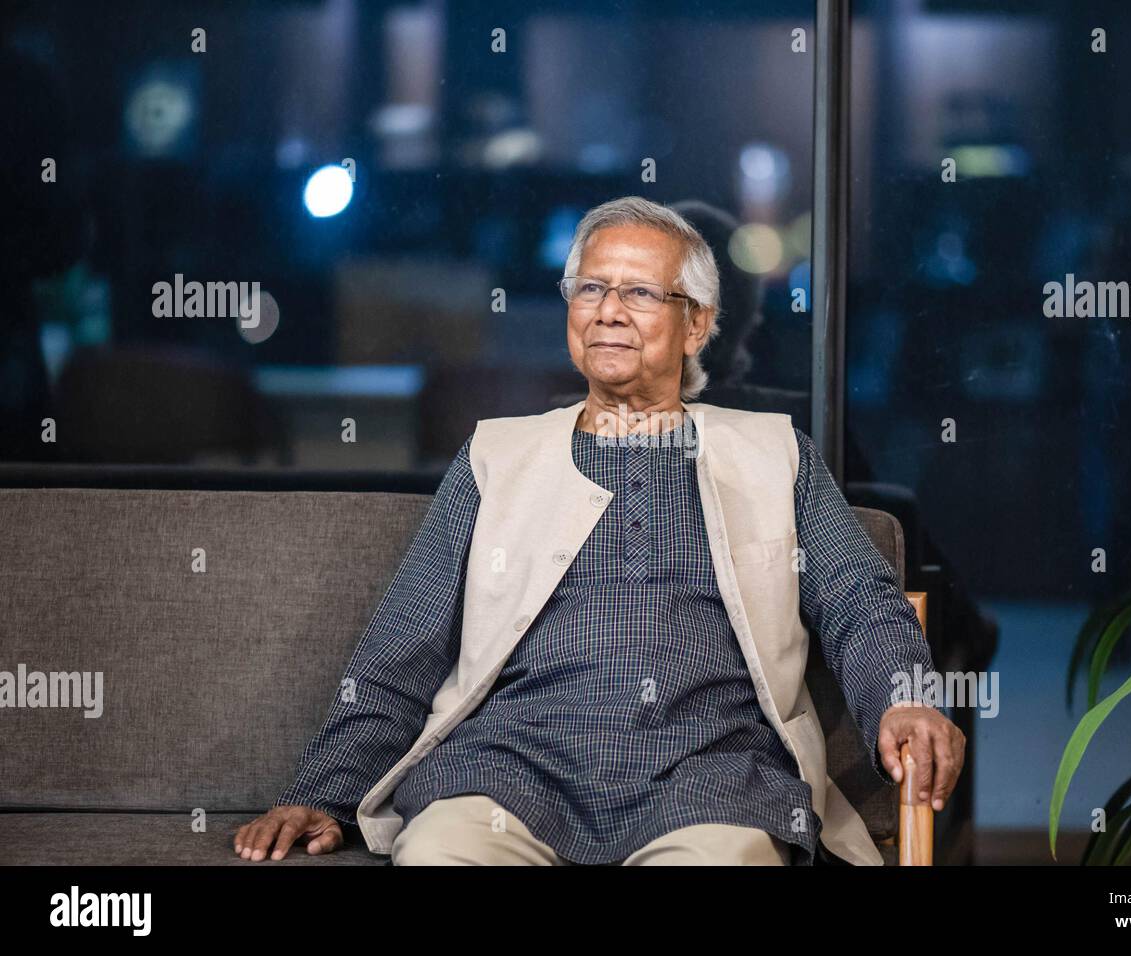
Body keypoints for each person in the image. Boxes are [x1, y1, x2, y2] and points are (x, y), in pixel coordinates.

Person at [234, 196, 964, 865]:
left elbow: (859, 602)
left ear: (698, 323)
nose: (608, 311)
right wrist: (323, 790)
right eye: (591, 288)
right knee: (436, 855)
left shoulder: (775, 454)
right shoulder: (498, 455)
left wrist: (905, 697)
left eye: (641, 293)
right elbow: (406, 640)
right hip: (506, 771)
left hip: (707, 775)